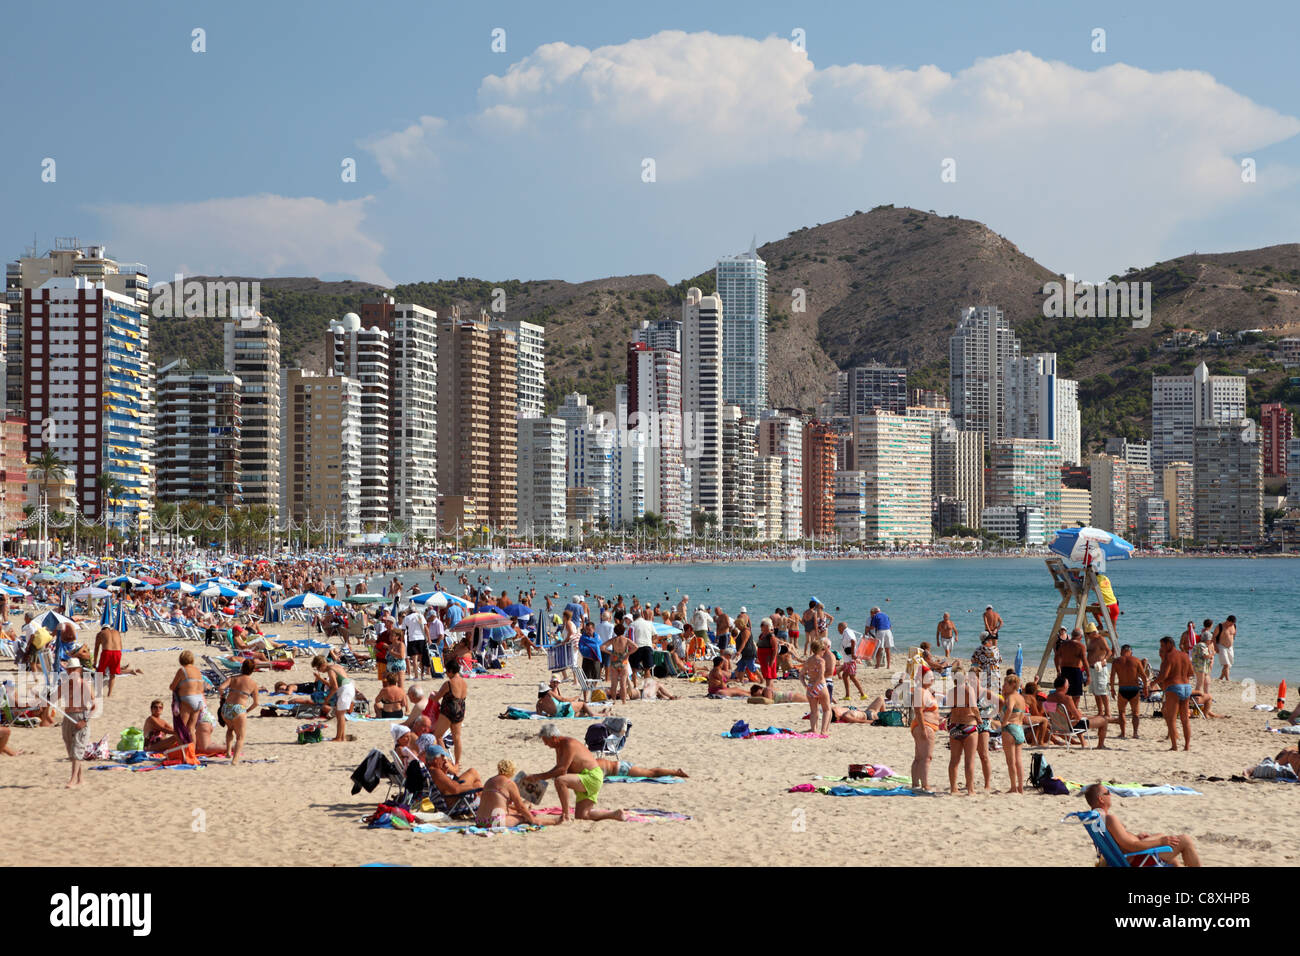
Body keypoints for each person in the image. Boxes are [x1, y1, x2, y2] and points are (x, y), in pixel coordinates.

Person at [526, 725, 627, 822]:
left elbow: (561, 771)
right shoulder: (559, 747)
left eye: (546, 741)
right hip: (583, 778)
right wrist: (534, 790)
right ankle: (614, 814)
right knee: (582, 815)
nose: (545, 744)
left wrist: (538, 777)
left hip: (591, 777)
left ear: (553, 738)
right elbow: (559, 770)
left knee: (560, 781)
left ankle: (565, 815)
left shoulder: (569, 744)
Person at [1082, 784, 1202, 866]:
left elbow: (1119, 843)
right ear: (1101, 799)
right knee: (1184, 840)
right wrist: (1161, 842)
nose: (1111, 795)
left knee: (1163, 838)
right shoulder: (1109, 819)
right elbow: (1131, 846)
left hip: (1127, 855)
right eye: (1107, 792)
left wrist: (1137, 836)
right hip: (1136, 858)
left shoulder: (1095, 820)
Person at [1152, 635, 1194, 752]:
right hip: (1186, 687)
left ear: (1169, 644)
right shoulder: (1185, 655)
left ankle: (1174, 746)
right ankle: (1187, 746)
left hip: (1174, 687)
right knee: (1185, 719)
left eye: (1162, 646)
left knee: (1171, 719)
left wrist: (1153, 683)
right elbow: (1191, 672)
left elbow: (1163, 675)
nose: (1161, 648)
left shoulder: (1169, 657)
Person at [58, 656, 95, 788]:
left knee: (77, 748)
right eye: (69, 670)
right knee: (70, 748)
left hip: (81, 716)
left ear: (79, 670)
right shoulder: (65, 685)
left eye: (74, 669)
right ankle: (80, 779)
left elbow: (95, 706)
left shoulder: (85, 684)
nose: (71, 672)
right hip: (68, 716)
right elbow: (53, 697)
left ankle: (72, 780)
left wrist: (85, 721)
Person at [1046, 674, 1109, 749]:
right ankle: (1100, 745)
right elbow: (1078, 717)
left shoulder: (1049, 697)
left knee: (1081, 718)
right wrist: (1079, 712)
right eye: (1067, 684)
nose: (1068, 685)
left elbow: (1051, 713)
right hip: (1070, 726)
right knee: (1104, 720)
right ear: (1064, 686)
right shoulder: (1067, 698)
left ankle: (1084, 743)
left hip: (1057, 725)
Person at [476, 760, 543, 828]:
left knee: (513, 812)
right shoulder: (509, 783)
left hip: (479, 821)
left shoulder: (489, 781)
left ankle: (527, 805)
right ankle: (553, 821)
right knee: (524, 818)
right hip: (495, 822)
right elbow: (520, 807)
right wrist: (533, 820)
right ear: (512, 771)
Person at [219, 659, 259, 765]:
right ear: (252, 670)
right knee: (240, 737)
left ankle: (228, 752)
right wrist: (246, 711)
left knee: (229, 729)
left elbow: (221, 688)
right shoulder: (253, 684)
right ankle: (235, 760)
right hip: (239, 709)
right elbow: (256, 703)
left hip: (226, 707)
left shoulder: (233, 678)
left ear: (242, 667)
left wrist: (223, 697)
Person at [429, 657, 468, 765]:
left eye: (447, 671)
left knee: (438, 735)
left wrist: (432, 696)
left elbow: (437, 698)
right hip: (460, 710)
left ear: (451, 671)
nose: (446, 673)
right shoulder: (464, 683)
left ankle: (446, 759)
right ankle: (457, 762)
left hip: (448, 710)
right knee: (457, 738)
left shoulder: (449, 683)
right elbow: (458, 696)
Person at [947, 678, 981, 795]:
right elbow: (974, 708)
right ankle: (970, 790)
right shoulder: (969, 690)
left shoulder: (951, 692)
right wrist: (979, 719)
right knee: (969, 760)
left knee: (954, 760)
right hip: (968, 724)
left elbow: (951, 708)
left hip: (954, 725)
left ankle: (953, 788)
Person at [312, 654, 356, 743]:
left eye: (318, 668)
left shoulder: (330, 670)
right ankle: (342, 736)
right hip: (349, 688)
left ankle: (339, 738)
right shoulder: (335, 666)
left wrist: (326, 700)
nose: (318, 670)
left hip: (345, 691)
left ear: (323, 665)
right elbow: (332, 685)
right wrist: (320, 678)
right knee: (340, 714)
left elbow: (334, 687)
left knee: (340, 715)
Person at [909, 670, 940, 793]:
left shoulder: (925, 691)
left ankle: (916, 784)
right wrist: (922, 729)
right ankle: (925, 785)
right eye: (930, 677)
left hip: (926, 725)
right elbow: (918, 710)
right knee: (926, 757)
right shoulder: (920, 690)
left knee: (919, 757)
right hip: (925, 726)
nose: (932, 680)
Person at [91, 625, 141, 697]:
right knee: (112, 674)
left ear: (102, 629)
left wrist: (95, 661)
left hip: (106, 652)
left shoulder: (100, 633)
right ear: (109, 628)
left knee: (100, 673)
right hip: (117, 652)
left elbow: (96, 648)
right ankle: (109, 694)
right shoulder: (116, 632)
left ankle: (98, 693)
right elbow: (121, 647)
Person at [999, 674, 1028, 794]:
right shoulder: (1021, 697)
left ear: (1013, 685)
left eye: (1006, 684)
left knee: (1010, 761)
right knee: (1018, 760)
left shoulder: (1011, 697)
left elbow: (1010, 709)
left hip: (1010, 728)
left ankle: (1013, 787)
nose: (1003, 686)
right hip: (1019, 728)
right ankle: (1020, 787)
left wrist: (1004, 723)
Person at [169, 650, 204, 744]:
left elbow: (172, 686)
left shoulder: (182, 670)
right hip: (199, 700)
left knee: (181, 728)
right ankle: (193, 752)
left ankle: (184, 752)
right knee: (191, 729)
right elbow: (201, 688)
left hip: (188, 699)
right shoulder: (198, 671)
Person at [1111, 645, 1145, 739]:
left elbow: (1112, 676)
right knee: (1135, 713)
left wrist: (1112, 689)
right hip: (1134, 689)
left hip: (1123, 689)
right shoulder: (1136, 660)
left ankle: (1123, 733)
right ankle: (1135, 733)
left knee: (1121, 712)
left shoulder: (1116, 661)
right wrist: (1145, 688)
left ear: (1122, 651)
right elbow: (1143, 676)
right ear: (1130, 652)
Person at [801, 639, 832, 734]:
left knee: (814, 711)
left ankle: (814, 729)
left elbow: (801, 675)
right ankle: (824, 731)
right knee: (827, 709)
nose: (824, 651)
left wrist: (805, 685)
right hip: (820, 686)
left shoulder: (808, 661)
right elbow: (821, 676)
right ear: (819, 649)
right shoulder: (821, 661)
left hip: (810, 686)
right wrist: (815, 687)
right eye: (823, 649)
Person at [536, 677, 603, 717]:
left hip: (558, 715)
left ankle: (600, 714)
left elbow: (539, 715)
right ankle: (593, 714)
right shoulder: (549, 693)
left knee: (581, 713)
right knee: (582, 704)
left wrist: (548, 714)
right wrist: (574, 698)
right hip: (563, 708)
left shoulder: (538, 704)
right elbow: (562, 699)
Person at [1055, 627, 1089, 707]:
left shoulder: (1063, 644)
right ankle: (1073, 712)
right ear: (1080, 637)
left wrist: (1058, 670)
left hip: (1064, 670)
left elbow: (1056, 657)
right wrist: (1089, 676)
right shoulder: (1081, 646)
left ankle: (1067, 712)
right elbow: (1085, 661)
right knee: (1076, 695)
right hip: (1075, 670)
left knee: (1065, 693)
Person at [1085, 622, 1113, 717]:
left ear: (1093, 632)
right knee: (1095, 691)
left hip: (1100, 668)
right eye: (1086, 633)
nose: (1087, 635)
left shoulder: (1101, 639)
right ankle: (1100, 711)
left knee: (1102, 691)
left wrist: (1104, 660)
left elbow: (1109, 651)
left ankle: (1107, 712)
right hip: (1091, 668)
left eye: (1088, 633)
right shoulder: (1090, 640)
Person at [836, 622, 867, 700]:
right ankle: (848, 696)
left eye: (838, 628)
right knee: (845, 676)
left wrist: (853, 653)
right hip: (847, 659)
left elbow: (853, 641)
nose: (838, 630)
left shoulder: (847, 632)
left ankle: (862, 694)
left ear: (841, 627)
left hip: (850, 659)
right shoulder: (846, 632)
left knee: (852, 677)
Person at [594, 755, 688, 779]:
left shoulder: (592, 767)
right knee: (650, 772)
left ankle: (676, 772)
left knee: (651, 774)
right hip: (619, 765)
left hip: (621, 770)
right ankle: (674, 772)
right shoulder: (592, 762)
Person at [402, 604, 430, 682]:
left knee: (414, 659)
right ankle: (422, 675)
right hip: (421, 638)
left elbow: (403, 631)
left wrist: (402, 641)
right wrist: (429, 639)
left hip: (412, 638)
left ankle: (416, 676)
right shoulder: (420, 616)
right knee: (421, 658)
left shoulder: (407, 618)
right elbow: (426, 628)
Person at [1213, 615, 1236, 681]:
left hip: (1230, 647)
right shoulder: (1220, 626)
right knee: (1226, 665)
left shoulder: (1234, 626)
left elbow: (1233, 635)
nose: (1232, 624)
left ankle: (1220, 678)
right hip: (1222, 646)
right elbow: (1214, 637)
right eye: (1231, 623)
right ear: (1227, 620)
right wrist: (1215, 647)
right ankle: (1227, 680)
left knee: (1229, 665)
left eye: (1233, 623)